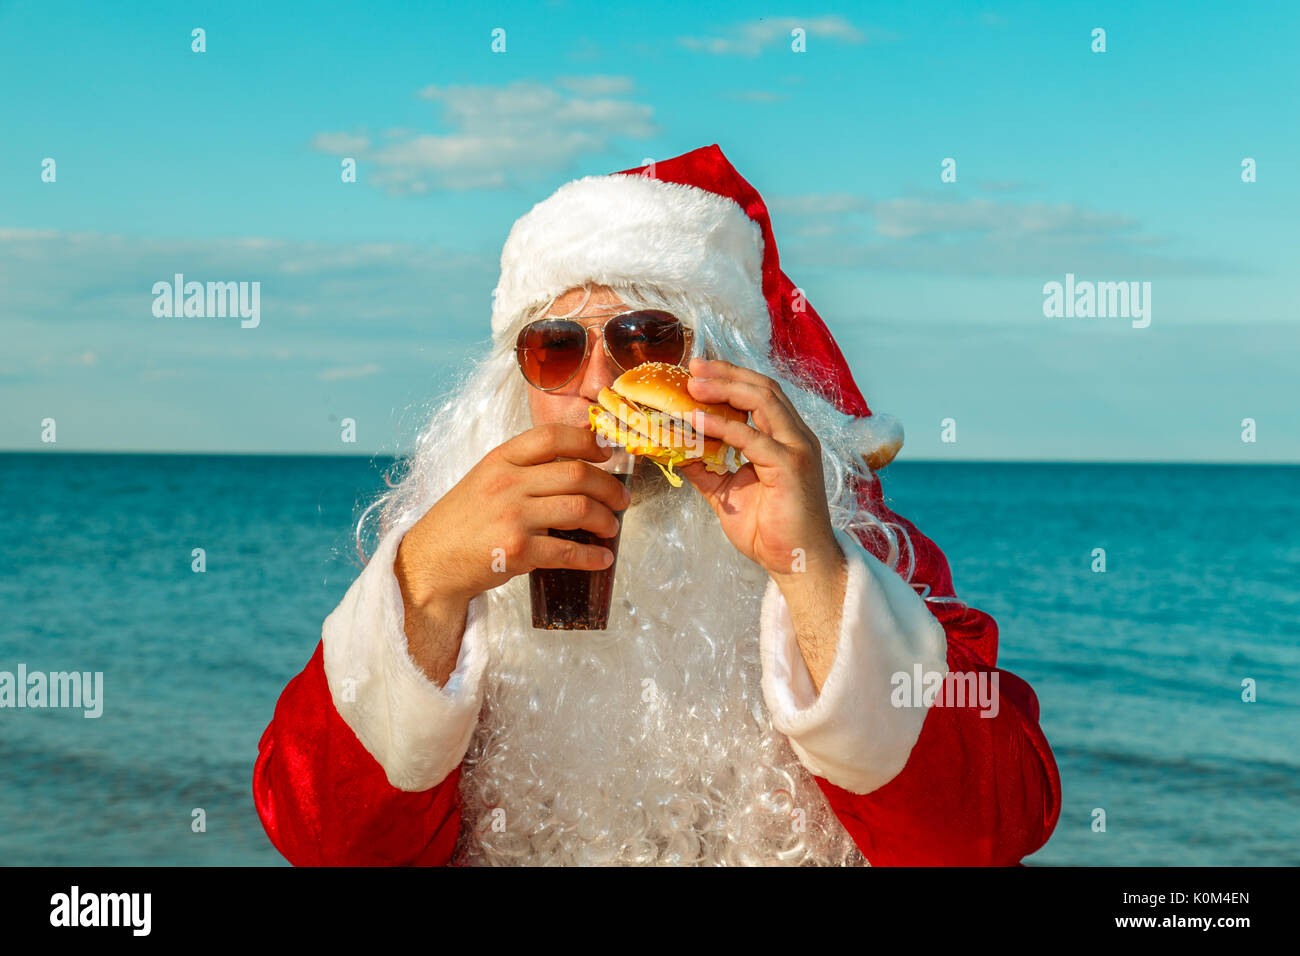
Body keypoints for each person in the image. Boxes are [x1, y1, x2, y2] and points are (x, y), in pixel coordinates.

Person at [253, 144, 1062, 866]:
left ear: (725, 367)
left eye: (646, 339)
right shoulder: (441, 575)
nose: (600, 384)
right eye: (556, 347)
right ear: (517, 385)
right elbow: (327, 844)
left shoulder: (866, 560)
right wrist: (425, 582)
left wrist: (809, 569)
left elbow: (984, 838)